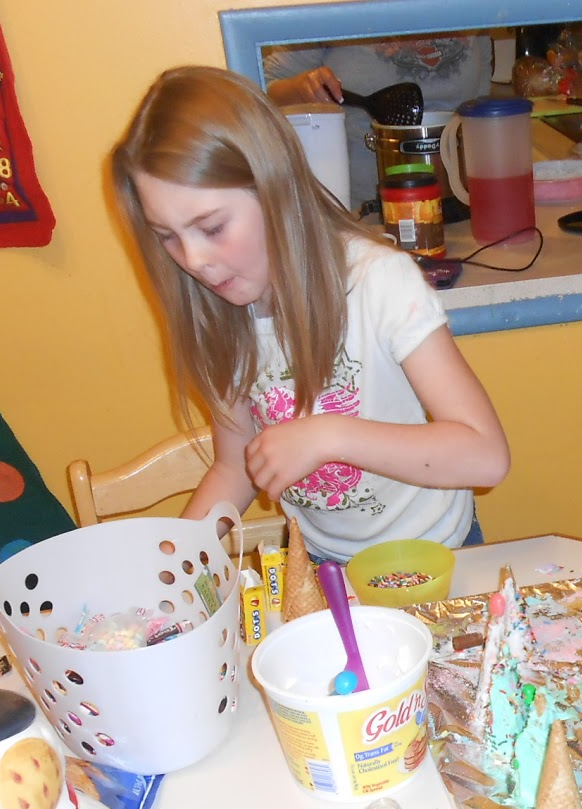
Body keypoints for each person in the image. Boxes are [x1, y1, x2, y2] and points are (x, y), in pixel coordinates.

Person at [111, 66, 510, 563]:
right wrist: (170, 561)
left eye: (211, 228)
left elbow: (485, 456)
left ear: (276, 190)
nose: (193, 261)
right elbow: (235, 468)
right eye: (168, 237)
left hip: (435, 556)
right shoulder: (219, 314)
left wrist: (331, 436)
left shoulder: (377, 282)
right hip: (324, 564)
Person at [263, 35, 493, 210]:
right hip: (362, 214)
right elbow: (264, 86)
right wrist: (302, 87)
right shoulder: (328, 7)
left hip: (463, 205)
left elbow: (480, 100)